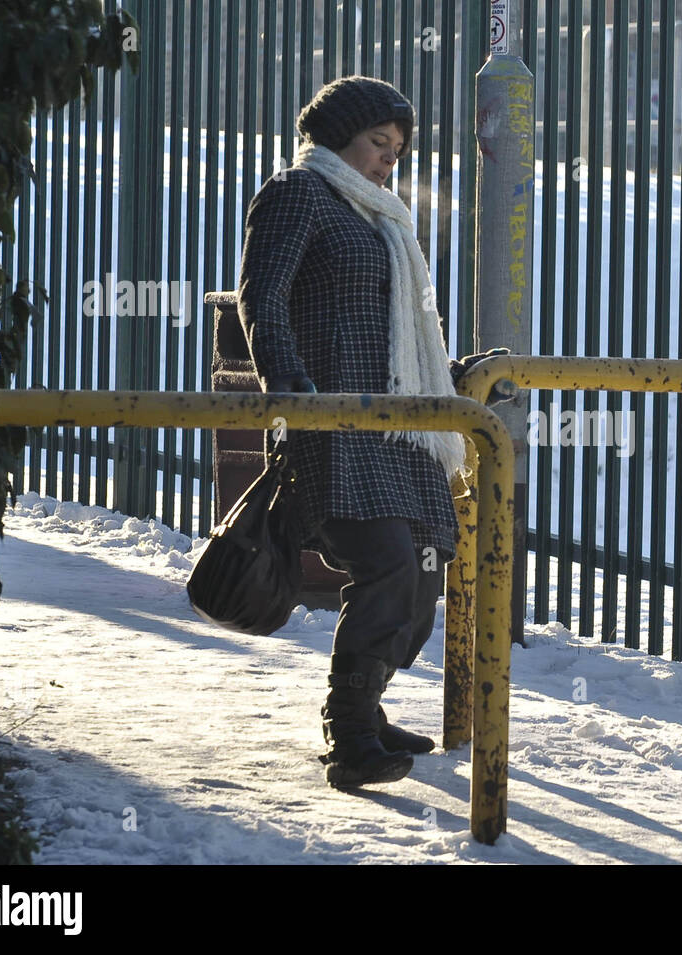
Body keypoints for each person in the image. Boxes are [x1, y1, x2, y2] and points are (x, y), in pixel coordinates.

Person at [238, 75, 501, 789]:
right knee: (386, 560)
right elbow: (261, 295)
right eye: (378, 143)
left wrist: (445, 373)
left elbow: (392, 330)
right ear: (335, 138)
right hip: (333, 419)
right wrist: (286, 384)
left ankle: (369, 702)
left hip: (399, 424)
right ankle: (349, 730)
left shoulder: (384, 216)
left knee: (421, 565)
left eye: (398, 149)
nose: (390, 160)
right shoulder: (298, 193)